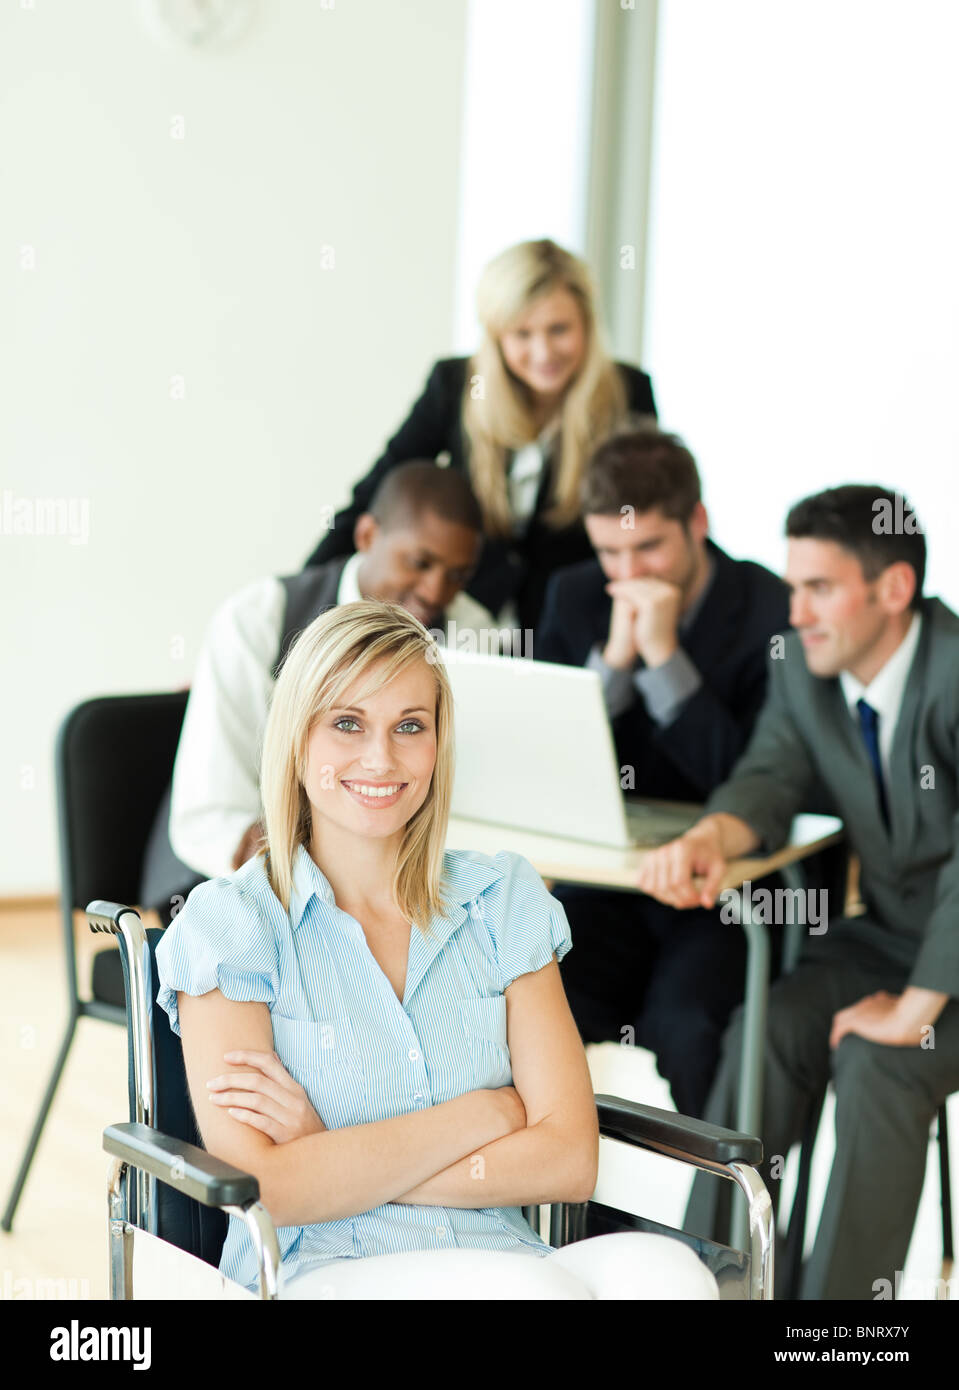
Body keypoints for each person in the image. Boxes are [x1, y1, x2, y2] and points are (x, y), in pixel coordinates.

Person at [153, 600, 719, 1299]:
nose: (380, 758)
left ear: (437, 743)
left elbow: (569, 1161)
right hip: (318, 1267)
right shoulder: (233, 925)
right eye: (347, 723)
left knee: (672, 1274)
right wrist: (482, 1115)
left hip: (507, 1253)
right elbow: (270, 1187)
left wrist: (331, 1153)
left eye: (409, 726)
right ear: (297, 740)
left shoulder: (500, 901)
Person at [635, 484, 959, 1300]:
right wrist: (710, 838)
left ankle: (835, 1329)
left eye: (818, 588)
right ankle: (710, 1284)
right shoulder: (806, 671)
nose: (796, 612)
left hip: (944, 963)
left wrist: (915, 1008)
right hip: (889, 938)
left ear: (893, 588)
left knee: (881, 1063)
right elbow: (768, 777)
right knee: (767, 1030)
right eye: (792, 588)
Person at [535, 427, 789, 1116]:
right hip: (603, 882)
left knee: (690, 1031)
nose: (628, 572)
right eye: (609, 552)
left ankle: (703, 1191)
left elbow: (757, 775)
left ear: (696, 522)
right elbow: (552, 770)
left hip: (720, 890)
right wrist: (615, 665)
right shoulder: (573, 596)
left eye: (648, 547)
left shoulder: (770, 608)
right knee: (534, 1007)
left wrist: (666, 660)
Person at [139, 463, 496, 919]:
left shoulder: (472, 631)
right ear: (367, 535)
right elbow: (213, 813)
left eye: (458, 575)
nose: (435, 592)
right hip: (239, 879)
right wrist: (333, 889)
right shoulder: (260, 618)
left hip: (397, 887)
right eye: (420, 563)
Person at [303, 238, 656, 634]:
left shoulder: (628, 393)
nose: (543, 352)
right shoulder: (455, 386)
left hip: (573, 621)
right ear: (497, 336)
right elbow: (376, 493)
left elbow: (652, 515)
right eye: (522, 334)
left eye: (559, 330)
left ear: (587, 324)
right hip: (463, 615)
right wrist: (304, 599)